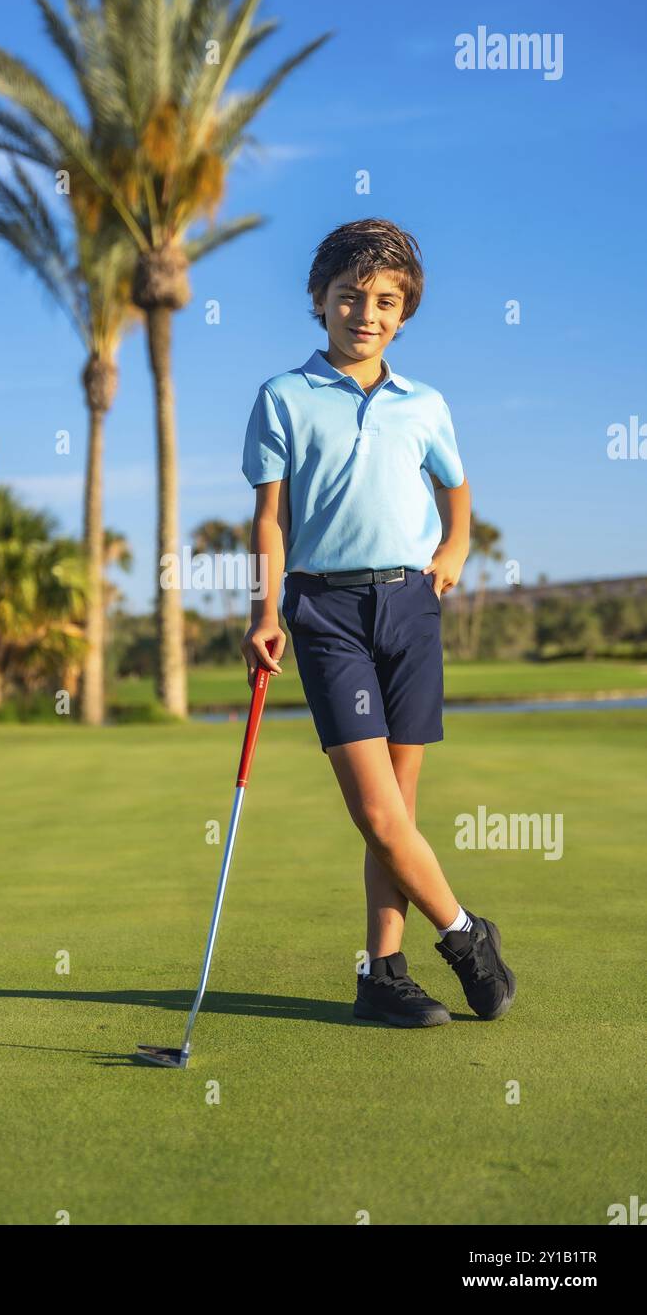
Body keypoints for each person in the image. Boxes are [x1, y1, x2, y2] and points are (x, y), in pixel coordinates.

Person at [239, 218, 515, 1028]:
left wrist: (456, 546)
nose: (367, 313)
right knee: (376, 812)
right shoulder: (283, 396)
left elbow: (456, 490)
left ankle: (382, 977)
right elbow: (268, 519)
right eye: (350, 297)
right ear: (320, 303)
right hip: (325, 609)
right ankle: (466, 936)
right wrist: (264, 609)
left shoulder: (423, 403)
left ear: (405, 312)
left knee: (399, 814)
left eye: (385, 301)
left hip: (409, 607)